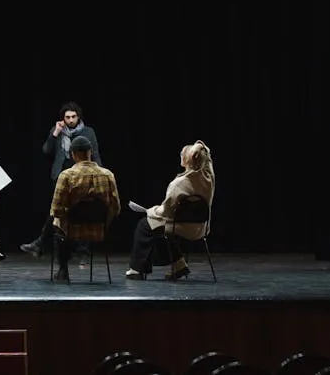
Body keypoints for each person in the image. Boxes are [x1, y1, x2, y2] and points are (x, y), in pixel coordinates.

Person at [20, 101, 102, 258]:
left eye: (73, 117)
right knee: (60, 211)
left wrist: (100, 171)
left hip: (82, 176)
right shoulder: (57, 130)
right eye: (67, 117)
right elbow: (46, 150)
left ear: (78, 117)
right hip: (61, 176)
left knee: (67, 211)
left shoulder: (87, 131)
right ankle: (70, 248)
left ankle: (49, 245)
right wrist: (55, 133)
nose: (70, 120)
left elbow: (95, 152)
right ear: (63, 118)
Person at [126, 140, 215, 280]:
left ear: (187, 159)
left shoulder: (178, 184)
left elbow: (165, 212)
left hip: (181, 228)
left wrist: (151, 211)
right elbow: (207, 156)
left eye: (182, 154)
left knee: (146, 225)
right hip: (201, 228)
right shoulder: (208, 177)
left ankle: (137, 269)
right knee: (156, 228)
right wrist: (199, 148)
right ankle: (178, 265)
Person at [41, 135, 120, 281]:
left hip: (71, 232)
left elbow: (56, 209)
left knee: (57, 223)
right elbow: (115, 207)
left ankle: (62, 269)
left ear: (73, 154)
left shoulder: (66, 175)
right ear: (90, 152)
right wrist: (104, 224)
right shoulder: (108, 175)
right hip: (99, 231)